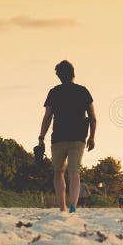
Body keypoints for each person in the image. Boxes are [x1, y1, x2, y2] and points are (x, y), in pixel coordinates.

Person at [38, 60, 96, 212]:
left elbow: (47, 117)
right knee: (74, 172)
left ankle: (62, 207)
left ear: (59, 76)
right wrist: (92, 137)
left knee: (59, 172)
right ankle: (73, 208)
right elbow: (93, 117)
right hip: (78, 138)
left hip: (58, 137)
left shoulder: (54, 92)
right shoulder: (83, 91)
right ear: (73, 73)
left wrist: (41, 137)